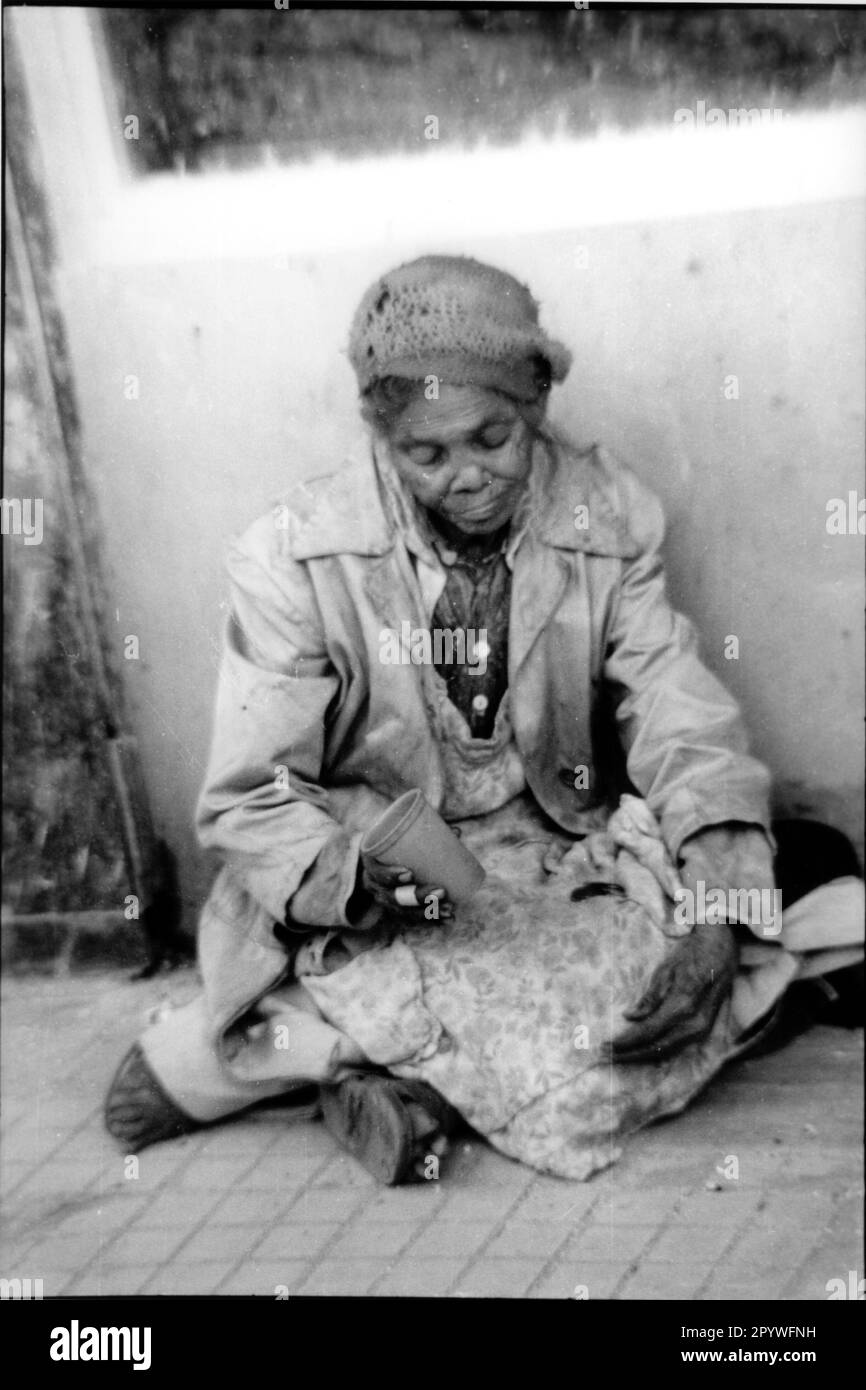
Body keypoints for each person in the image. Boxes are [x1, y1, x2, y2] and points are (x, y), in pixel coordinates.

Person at [105, 255, 863, 1184]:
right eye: (426, 453)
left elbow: (680, 717)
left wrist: (711, 914)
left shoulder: (609, 513)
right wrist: (352, 880)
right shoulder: (293, 556)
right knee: (426, 968)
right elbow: (250, 796)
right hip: (370, 869)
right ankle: (298, 1058)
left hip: (546, 854)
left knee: (664, 965)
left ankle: (346, 1069)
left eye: (492, 438)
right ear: (382, 438)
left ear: (536, 404)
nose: (466, 477)